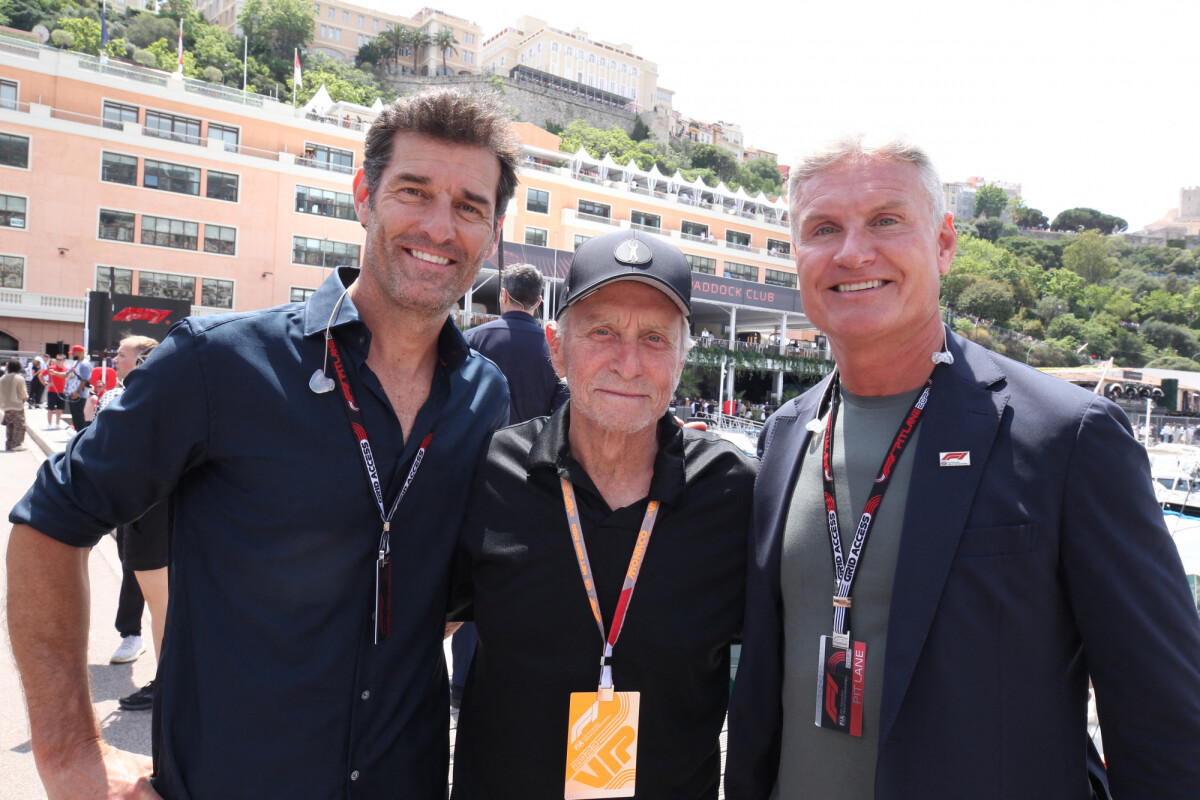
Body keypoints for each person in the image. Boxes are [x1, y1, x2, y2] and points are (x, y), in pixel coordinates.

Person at [6, 88, 518, 799]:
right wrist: (71, 760)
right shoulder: (218, 363)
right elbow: (47, 524)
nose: (440, 226)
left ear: (492, 232)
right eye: (414, 191)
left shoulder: (485, 397)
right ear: (364, 197)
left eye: (469, 206)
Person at [725, 134, 1200, 799]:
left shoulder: (1069, 438)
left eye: (886, 220)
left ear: (945, 243)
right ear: (796, 254)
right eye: (823, 228)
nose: (853, 251)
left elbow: (1164, 719)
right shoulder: (783, 437)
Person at [450, 230, 756, 798]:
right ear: (557, 346)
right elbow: (410, 639)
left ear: (683, 356)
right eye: (602, 332)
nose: (629, 362)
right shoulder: (491, 473)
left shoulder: (736, 492)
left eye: (655, 338)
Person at [450, 263, 569, 708]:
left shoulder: (477, 338)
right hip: (537, 475)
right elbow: (563, 406)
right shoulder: (552, 347)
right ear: (540, 301)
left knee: (473, 573)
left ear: (503, 295)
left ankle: (462, 679)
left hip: (478, 470)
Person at [93, 335, 169, 711]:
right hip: (153, 515)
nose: (117, 360)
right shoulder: (163, 398)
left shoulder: (143, 399)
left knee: (163, 607)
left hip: (151, 515)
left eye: (124, 355)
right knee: (165, 605)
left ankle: (169, 685)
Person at [63, 344, 92, 433]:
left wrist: (77, 392)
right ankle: (78, 433)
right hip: (73, 393)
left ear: (79, 353)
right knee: (75, 416)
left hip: (79, 394)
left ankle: (81, 434)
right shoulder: (76, 363)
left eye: (73, 353)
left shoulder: (84, 364)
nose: (72, 355)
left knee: (79, 416)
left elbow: (84, 380)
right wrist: (54, 373)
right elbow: (67, 374)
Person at [2, 358, 28, 451]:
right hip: (16, 406)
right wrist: (26, 398)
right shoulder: (19, 378)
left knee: (10, 426)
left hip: (6, 406)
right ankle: (16, 444)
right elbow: (23, 393)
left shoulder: (2, 378)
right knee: (19, 426)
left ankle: (9, 444)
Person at [39, 353, 66, 430]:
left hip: (62, 391)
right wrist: (45, 383)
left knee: (60, 409)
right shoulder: (51, 368)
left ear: (64, 360)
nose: (58, 361)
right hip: (52, 391)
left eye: (60, 360)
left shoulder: (66, 369)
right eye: (57, 359)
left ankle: (57, 423)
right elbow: (40, 375)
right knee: (51, 409)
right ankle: (49, 424)